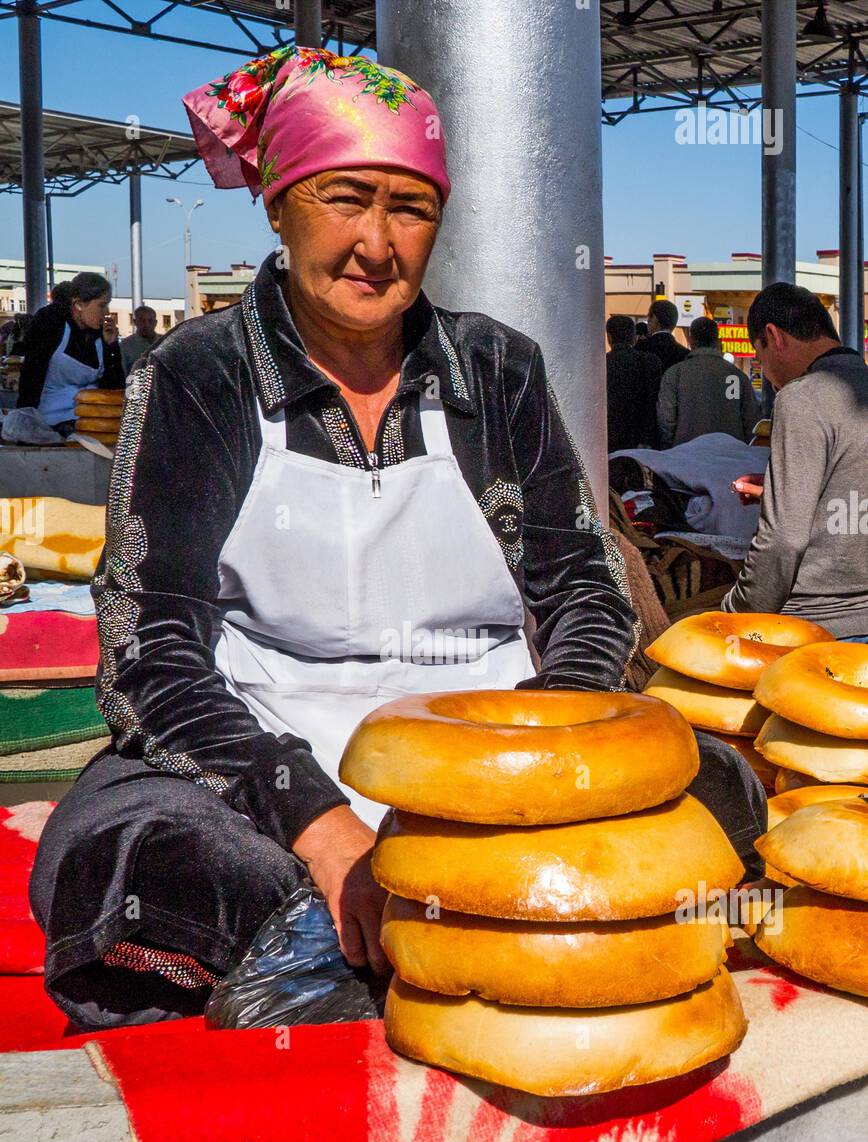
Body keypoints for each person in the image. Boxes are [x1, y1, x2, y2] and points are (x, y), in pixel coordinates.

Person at [30, 45, 766, 1030]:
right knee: (113, 849)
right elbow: (149, 652)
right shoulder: (200, 375)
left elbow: (582, 586)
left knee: (728, 785)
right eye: (344, 197)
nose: (377, 242)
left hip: (494, 748)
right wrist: (325, 833)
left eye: (409, 207)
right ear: (279, 202)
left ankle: (388, 948)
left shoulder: (495, 370)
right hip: (268, 768)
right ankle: (348, 934)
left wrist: (537, 762)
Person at [723, 282, 868, 640]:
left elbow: (783, 542)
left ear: (773, 336)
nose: (767, 374)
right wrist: (776, 490)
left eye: (759, 357)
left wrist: (733, 613)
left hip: (820, 629)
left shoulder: (801, 398)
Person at [15, 273, 124, 437]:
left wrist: (111, 348)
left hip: (93, 422)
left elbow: (114, 389)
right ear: (79, 304)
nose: (106, 312)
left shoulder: (100, 334)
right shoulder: (51, 322)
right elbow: (32, 375)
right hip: (48, 423)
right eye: (102, 305)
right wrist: (25, 420)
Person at [657, 316, 762, 448]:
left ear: (691, 341)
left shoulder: (675, 374)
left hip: (686, 455)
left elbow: (666, 421)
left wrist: (671, 448)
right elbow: (751, 421)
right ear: (717, 341)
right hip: (731, 456)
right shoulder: (737, 376)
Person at [605, 314, 661, 453]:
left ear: (609, 337)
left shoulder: (601, 364)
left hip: (609, 439)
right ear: (633, 337)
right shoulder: (650, 362)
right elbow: (654, 402)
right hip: (641, 440)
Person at [635, 298, 689, 374]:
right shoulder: (685, 354)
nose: (648, 321)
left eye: (649, 317)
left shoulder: (640, 350)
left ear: (655, 319)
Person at [121, 305, 164, 375]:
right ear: (135, 322)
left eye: (150, 320)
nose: (146, 324)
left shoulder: (165, 341)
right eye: (142, 320)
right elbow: (122, 375)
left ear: (155, 323)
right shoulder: (125, 346)